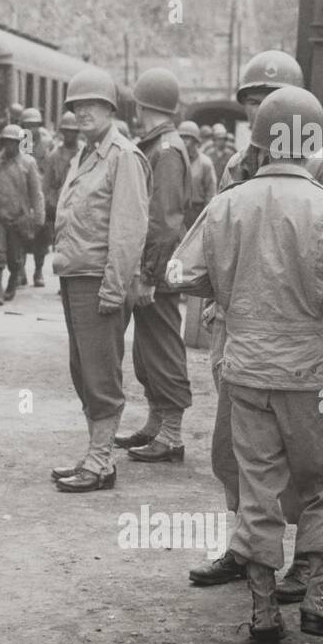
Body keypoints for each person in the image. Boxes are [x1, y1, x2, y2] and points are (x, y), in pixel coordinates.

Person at [168, 85, 323, 644]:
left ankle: (263, 614)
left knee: (259, 486)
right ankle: (320, 600)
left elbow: (179, 274)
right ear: (312, 145)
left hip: (246, 373)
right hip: (315, 377)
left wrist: (228, 286)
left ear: (258, 144)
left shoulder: (228, 203)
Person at [48, 67, 150, 492]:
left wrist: (113, 287)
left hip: (99, 281)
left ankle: (102, 460)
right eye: (77, 106)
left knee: (101, 373)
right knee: (83, 370)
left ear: (110, 107)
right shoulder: (85, 155)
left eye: (92, 104)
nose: (83, 112)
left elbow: (128, 229)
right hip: (76, 278)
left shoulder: (123, 156)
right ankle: (96, 453)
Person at [115, 68, 192, 464]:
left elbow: (164, 221)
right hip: (154, 266)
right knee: (146, 352)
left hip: (158, 270)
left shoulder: (165, 150)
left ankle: (173, 435)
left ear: (142, 103)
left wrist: (148, 276)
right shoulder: (159, 145)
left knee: (162, 349)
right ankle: (155, 423)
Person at [0, 124, 44, 305]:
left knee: (15, 258)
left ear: (19, 143)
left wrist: (39, 217)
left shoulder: (28, 163)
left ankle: (13, 281)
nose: (10, 146)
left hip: (18, 217)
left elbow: (36, 193)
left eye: (13, 142)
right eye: (6, 142)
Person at [42, 111, 80, 274]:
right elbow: (26, 162)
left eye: (73, 131)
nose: (69, 134)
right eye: (66, 131)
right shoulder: (25, 137)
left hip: (77, 201)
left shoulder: (83, 153)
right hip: (58, 201)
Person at [18, 107, 51, 287]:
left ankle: (38, 271)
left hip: (42, 195)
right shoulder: (23, 142)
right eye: (27, 126)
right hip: (24, 194)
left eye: (34, 125)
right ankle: (21, 270)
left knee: (42, 236)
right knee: (20, 234)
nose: (30, 129)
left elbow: (49, 171)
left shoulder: (47, 144)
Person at [179, 121, 217, 229]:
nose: (183, 141)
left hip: (197, 210)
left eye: (187, 137)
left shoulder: (205, 163)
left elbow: (211, 192)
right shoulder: (177, 161)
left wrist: (206, 216)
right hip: (179, 211)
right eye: (181, 137)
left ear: (195, 140)